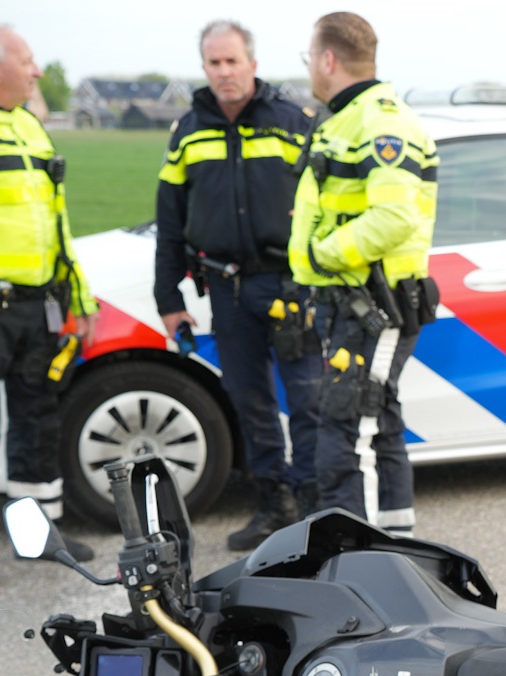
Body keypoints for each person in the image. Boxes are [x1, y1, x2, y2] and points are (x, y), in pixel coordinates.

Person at [155, 19, 324, 551]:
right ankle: (273, 505)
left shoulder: (294, 122)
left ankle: (316, 511)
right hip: (226, 290)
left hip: (291, 285)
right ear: (204, 67)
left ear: (253, 63)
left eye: (233, 61)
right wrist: (168, 298)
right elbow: (170, 220)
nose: (224, 72)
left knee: (307, 399)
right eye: (214, 63)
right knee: (249, 400)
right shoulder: (187, 131)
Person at [0, 23, 95, 587]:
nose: (35, 71)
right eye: (27, 62)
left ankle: (41, 538)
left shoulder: (28, 125)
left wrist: (75, 295)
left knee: (38, 422)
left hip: (40, 305)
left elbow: (57, 222)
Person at [289, 11, 437, 536]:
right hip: (350, 303)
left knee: (347, 431)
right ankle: (397, 553)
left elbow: (395, 217)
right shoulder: (346, 118)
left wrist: (325, 253)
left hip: (372, 305)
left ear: (328, 59)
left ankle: (361, 563)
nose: (309, 67)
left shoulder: (381, 121)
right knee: (378, 421)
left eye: (309, 57)